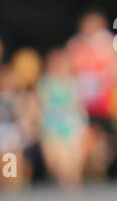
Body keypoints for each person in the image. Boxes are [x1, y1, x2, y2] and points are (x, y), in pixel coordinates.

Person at [66, 12, 117, 180]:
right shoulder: (75, 45)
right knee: (86, 140)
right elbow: (70, 72)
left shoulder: (109, 44)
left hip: (105, 103)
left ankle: (102, 170)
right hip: (83, 104)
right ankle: (90, 172)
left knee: (104, 139)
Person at [38, 48, 89, 188]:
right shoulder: (45, 84)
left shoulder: (74, 83)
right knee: (57, 164)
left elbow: (80, 108)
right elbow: (40, 107)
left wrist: (82, 129)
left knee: (72, 166)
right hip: (52, 129)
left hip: (72, 128)